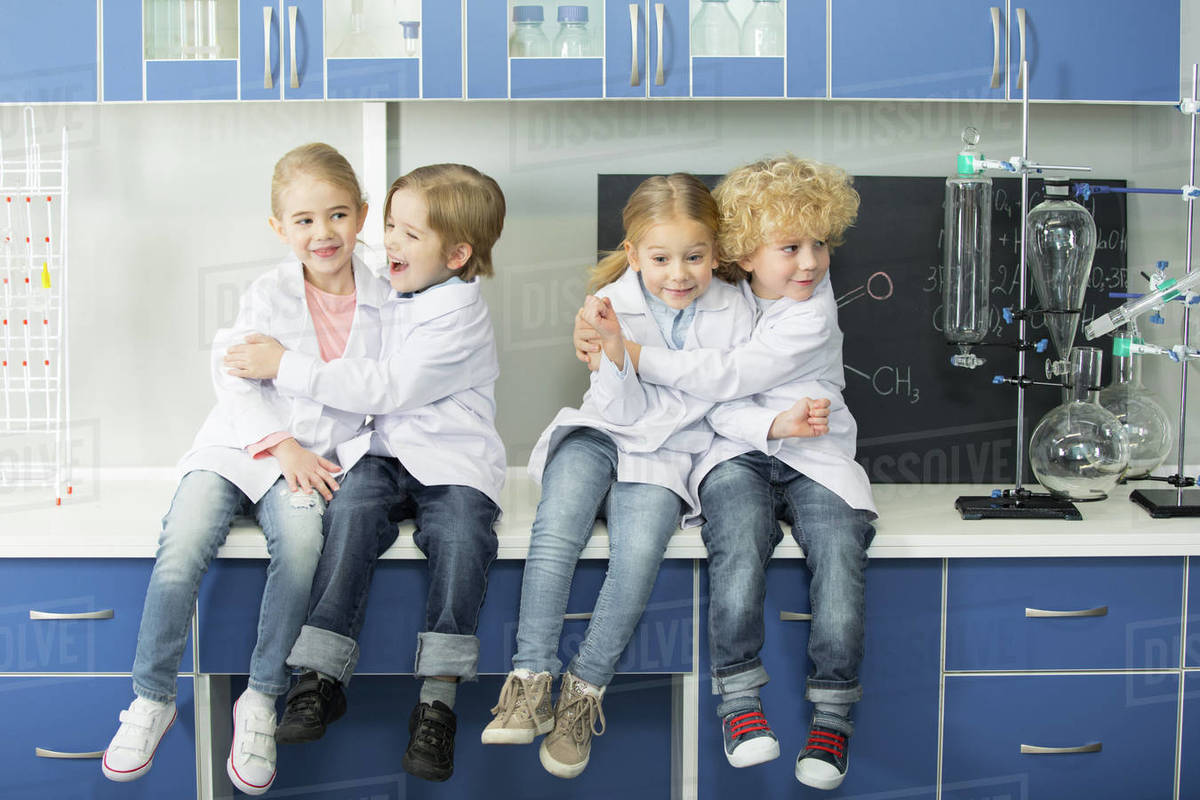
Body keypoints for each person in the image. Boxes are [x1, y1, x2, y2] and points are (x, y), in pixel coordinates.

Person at [481, 173, 825, 780]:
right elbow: (617, 410)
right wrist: (614, 352)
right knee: (556, 526)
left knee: (637, 554)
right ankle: (529, 678)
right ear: (634, 253)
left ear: (716, 254)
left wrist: (773, 422)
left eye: (694, 257)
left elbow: (726, 396)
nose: (679, 274)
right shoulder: (613, 302)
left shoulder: (736, 308)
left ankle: (583, 693)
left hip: (670, 453)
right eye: (661, 258)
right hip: (602, 433)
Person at [575, 156, 877, 791]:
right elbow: (715, 405)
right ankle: (740, 704)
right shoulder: (726, 300)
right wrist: (767, 427)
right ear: (742, 253)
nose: (811, 262)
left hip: (815, 456)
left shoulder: (812, 312)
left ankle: (832, 719)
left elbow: (729, 378)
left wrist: (634, 354)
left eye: (820, 244)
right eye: (790, 247)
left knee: (840, 551)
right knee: (736, 548)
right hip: (732, 454)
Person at [102, 142, 388, 796]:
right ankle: (151, 695)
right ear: (279, 229)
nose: (324, 233)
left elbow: (384, 393)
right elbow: (234, 379)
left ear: (363, 215)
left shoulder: (388, 298)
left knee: (301, 548)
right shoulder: (268, 292)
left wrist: (326, 456)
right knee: (182, 546)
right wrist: (278, 443)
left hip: (314, 463)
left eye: (339, 215)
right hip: (239, 447)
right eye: (305, 220)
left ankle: (261, 699)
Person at [223, 163, 507, 784]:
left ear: (457, 254)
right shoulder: (400, 287)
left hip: (453, 464)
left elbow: (386, 386)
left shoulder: (458, 313)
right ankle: (319, 675)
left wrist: (284, 364)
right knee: (348, 515)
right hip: (383, 454)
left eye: (409, 235)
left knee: (462, 539)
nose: (390, 245)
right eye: (390, 227)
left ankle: (437, 700)